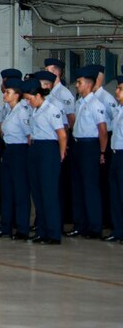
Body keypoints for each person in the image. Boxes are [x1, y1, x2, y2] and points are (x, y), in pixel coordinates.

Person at [24, 79, 66, 245]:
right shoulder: (34, 110)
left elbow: (62, 134)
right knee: (38, 193)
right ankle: (42, 231)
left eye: (30, 98)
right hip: (35, 148)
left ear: (38, 95)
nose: (28, 101)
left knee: (49, 193)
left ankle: (54, 233)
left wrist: (60, 154)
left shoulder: (51, 110)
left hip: (48, 149)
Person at [69, 66, 109, 239]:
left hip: (90, 147)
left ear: (88, 84)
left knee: (90, 187)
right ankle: (80, 225)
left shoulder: (96, 104)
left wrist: (101, 152)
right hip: (78, 145)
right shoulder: (79, 102)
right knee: (77, 187)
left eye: (79, 82)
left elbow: (102, 130)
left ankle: (94, 226)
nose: (76, 85)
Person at [0, 78, 32, 240]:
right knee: (7, 190)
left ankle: (22, 228)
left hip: (20, 151)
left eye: (8, 92)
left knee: (20, 191)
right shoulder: (10, 111)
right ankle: (6, 227)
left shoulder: (22, 111)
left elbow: (29, 136)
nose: (5, 94)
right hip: (9, 150)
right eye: (5, 92)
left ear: (17, 95)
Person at [106, 75, 123, 243]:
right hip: (116, 154)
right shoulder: (118, 109)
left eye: (120, 89)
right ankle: (118, 231)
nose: (117, 91)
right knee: (115, 196)